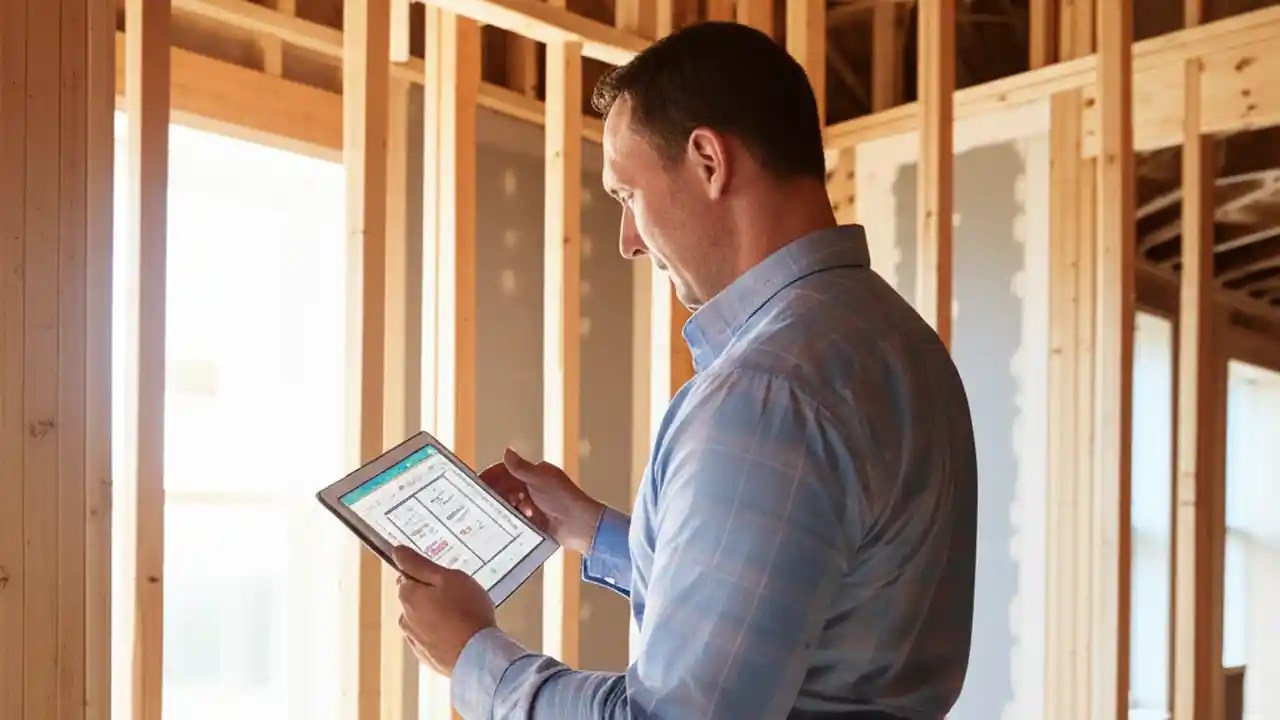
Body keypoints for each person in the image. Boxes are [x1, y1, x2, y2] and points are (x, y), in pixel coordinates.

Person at [392, 20, 978, 720]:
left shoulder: (768, 390)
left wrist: (474, 657)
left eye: (626, 196)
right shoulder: (897, 342)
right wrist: (593, 530)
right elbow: (795, 600)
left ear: (708, 159)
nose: (628, 242)